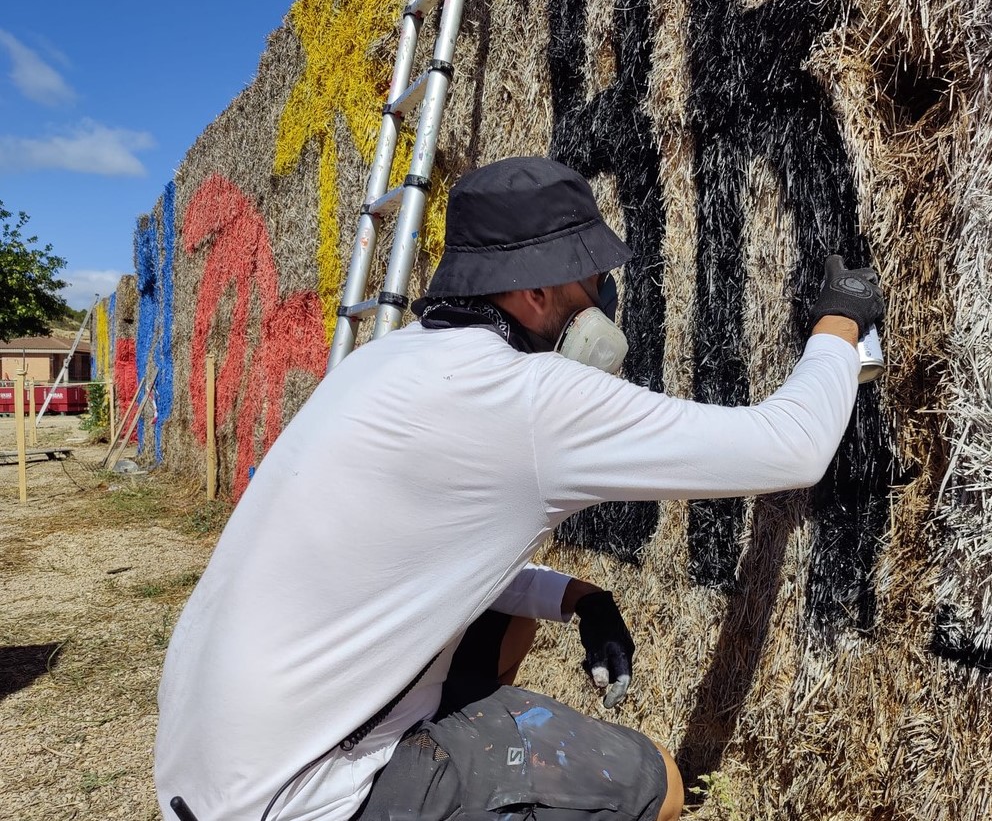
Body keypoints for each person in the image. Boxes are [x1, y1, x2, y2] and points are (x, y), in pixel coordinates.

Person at [154, 156, 884, 821]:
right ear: (535, 291)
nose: (603, 294)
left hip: (210, 769)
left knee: (511, 625)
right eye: (589, 277)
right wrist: (840, 323)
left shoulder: (388, 360)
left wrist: (578, 598)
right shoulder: (530, 396)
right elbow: (792, 447)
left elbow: (409, 559)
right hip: (300, 797)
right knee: (658, 784)